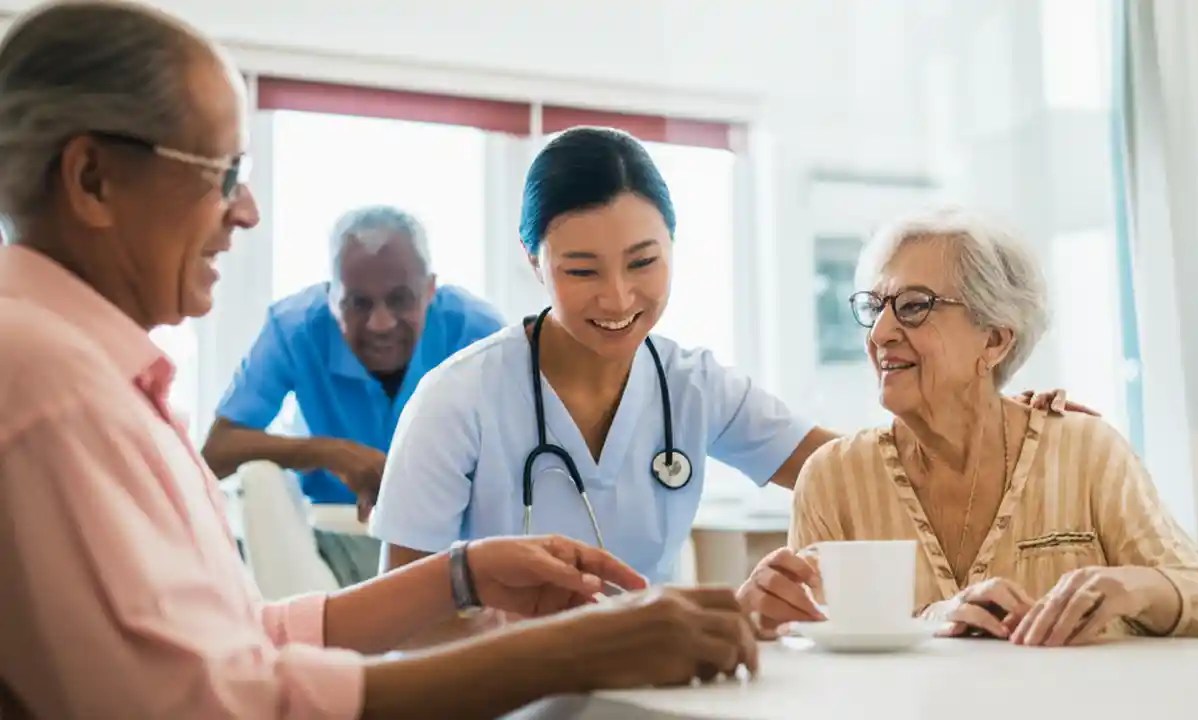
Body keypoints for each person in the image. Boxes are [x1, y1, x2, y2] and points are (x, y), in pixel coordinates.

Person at [0, 3, 756, 718]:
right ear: (92, 180)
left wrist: (462, 574)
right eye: (222, 173)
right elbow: (218, 704)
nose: (248, 211)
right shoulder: (49, 391)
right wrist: (571, 651)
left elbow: (243, 640)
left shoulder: (89, 377)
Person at [737, 207, 1198, 645]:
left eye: (914, 307)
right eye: (875, 308)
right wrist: (773, 620)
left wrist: (1137, 586)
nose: (880, 333)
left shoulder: (1085, 451)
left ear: (995, 340)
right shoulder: (832, 477)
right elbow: (816, 649)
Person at [371, 127, 841, 586]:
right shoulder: (456, 401)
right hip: (506, 645)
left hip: (655, 643)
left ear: (672, 245)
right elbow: (397, 610)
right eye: (582, 271)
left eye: (643, 262)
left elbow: (850, 472)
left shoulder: (694, 385)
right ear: (534, 262)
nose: (617, 299)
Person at [202, 204, 503, 584]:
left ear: (429, 290)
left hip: (451, 542)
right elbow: (216, 453)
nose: (381, 324)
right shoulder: (293, 327)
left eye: (400, 299)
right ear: (331, 297)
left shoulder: (479, 332)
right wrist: (331, 453)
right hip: (328, 539)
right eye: (358, 303)